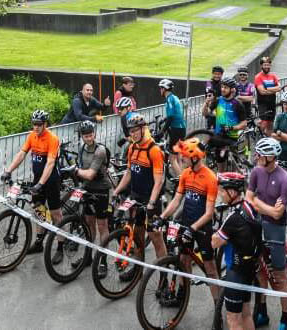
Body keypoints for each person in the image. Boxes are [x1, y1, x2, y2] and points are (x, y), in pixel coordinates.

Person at [159, 139, 222, 313]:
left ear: (195, 158)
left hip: (202, 227)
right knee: (183, 260)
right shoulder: (186, 174)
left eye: (185, 156)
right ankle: (181, 295)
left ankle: (217, 308)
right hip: (187, 222)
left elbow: (209, 213)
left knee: (210, 269)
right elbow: (177, 200)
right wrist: (162, 217)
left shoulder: (210, 178)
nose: (182, 158)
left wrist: (193, 228)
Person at [245, 138, 287, 330]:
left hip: (276, 228)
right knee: (260, 270)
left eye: (260, 154)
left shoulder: (284, 179)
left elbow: (277, 213)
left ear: (271, 156)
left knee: (280, 276)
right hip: (258, 224)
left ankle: (285, 318)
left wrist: (257, 203)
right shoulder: (256, 171)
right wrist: (261, 205)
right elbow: (249, 198)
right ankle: (262, 311)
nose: (256, 157)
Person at [2, 109, 63, 253]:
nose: (35, 127)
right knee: (39, 209)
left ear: (45, 124)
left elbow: (50, 163)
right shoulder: (32, 136)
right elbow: (21, 154)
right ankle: (39, 242)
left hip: (51, 180)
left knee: (56, 214)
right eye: (34, 124)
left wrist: (41, 183)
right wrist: (8, 171)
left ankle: (60, 246)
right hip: (38, 179)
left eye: (39, 124)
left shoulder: (52, 139)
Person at [212, 171, 263, 330]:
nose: (220, 194)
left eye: (222, 190)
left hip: (235, 271)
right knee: (246, 313)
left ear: (232, 192)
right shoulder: (250, 207)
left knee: (233, 319)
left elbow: (215, 243)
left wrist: (214, 232)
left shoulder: (233, 217)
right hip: (249, 268)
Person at [113, 113, 167, 261]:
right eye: (131, 131)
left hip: (151, 200)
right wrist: (116, 191)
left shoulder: (154, 150)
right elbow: (129, 173)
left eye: (136, 130)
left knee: (156, 238)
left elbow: (159, 181)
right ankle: (138, 271)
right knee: (137, 236)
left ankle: (163, 276)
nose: (133, 134)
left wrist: (151, 203)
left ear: (144, 129)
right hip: (137, 197)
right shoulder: (132, 148)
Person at [74, 119, 114, 266]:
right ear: (82, 136)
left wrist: (76, 171)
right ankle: (88, 257)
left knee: (102, 225)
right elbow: (81, 171)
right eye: (86, 136)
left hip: (101, 190)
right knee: (89, 224)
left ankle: (103, 261)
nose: (89, 138)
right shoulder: (82, 149)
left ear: (94, 134)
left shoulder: (100, 150)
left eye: (91, 135)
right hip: (88, 189)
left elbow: (90, 174)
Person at [210, 77, 250, 155]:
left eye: (225, 87)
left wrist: (231, 128)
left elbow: (244, 124)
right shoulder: (218, 100)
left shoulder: (238, 104)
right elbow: (206, 113)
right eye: (222, 87)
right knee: (220, 161)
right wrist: (206, 103)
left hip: (232, 137)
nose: (222, 89)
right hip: (219, 135)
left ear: (232, 89)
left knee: (233, 161)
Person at [159, 78, 187, 147]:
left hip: (176, 128)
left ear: (164, 89)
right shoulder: (174, 97)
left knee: (173, 152)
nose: (160, 90)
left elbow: (171, 117)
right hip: (181, 127)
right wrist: (164, 119)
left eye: (161, 88)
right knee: (178, 151)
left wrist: (162, 132)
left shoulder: (169, 99)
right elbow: (175, 113)